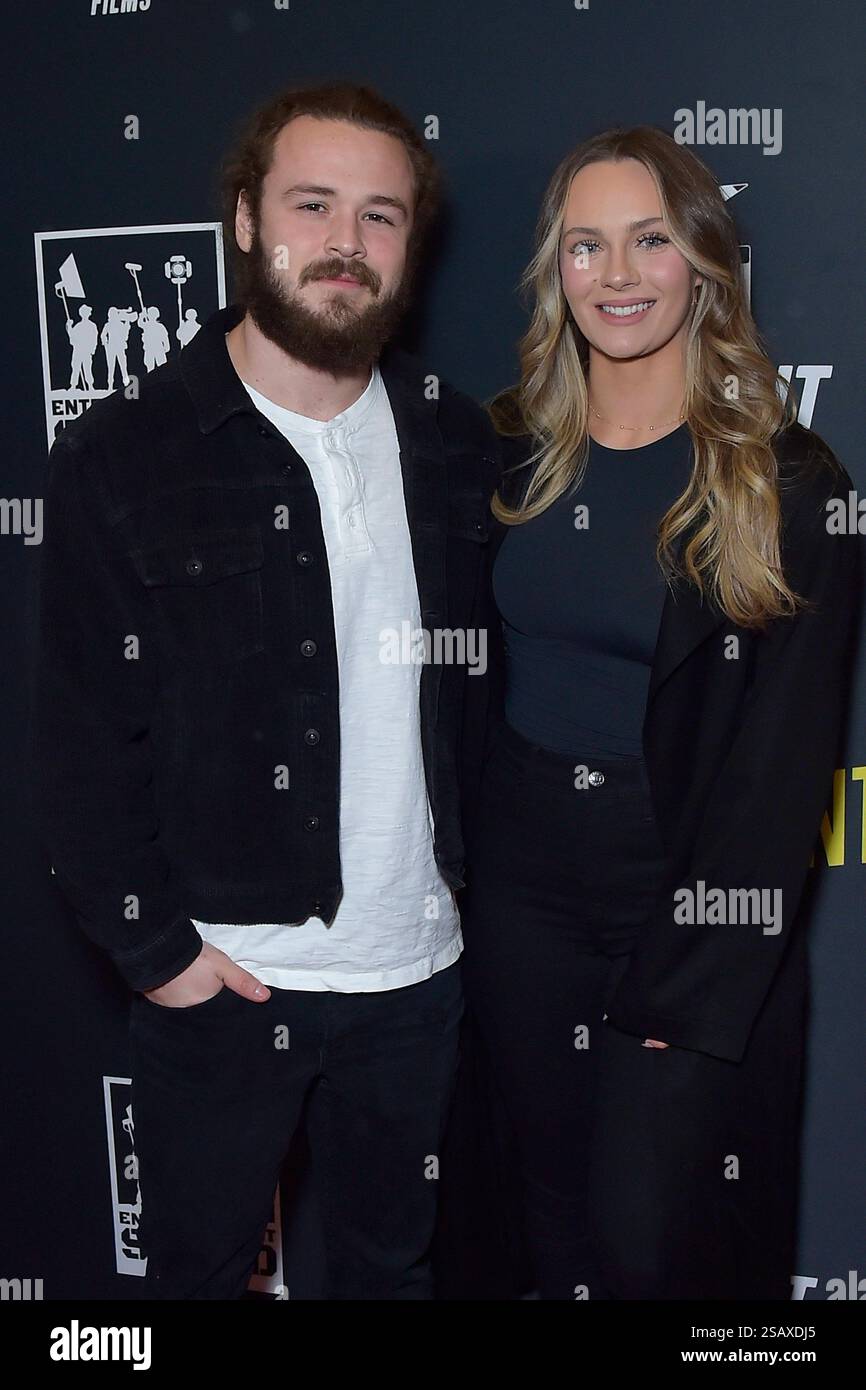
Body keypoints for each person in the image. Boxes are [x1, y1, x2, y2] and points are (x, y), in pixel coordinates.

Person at [30, 81, 500, 1300]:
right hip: (226, 982)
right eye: (313, 204)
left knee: (389, 1275)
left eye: (381, 216)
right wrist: (157, 952)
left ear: (409, 246)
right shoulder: (121, 453)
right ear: (244, 220)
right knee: (193, 1280)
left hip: (415, 976)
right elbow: (77, 744)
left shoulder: (458, 442)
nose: (346, 243)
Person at [454, 125, 860, 1300]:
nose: (615, 275)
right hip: (518, 888)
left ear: (702, 263)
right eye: (584, 246)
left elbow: (781, 771)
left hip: (679, 894)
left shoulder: (787, 484)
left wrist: (687, 980)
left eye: (647, 241)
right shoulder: (503, 451)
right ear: (553, 270)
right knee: (543, 1222)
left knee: (657, 1239)